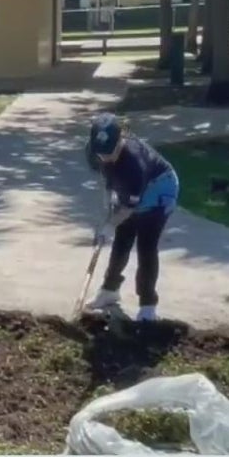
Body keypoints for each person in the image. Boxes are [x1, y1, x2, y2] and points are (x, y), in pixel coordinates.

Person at [83, 113, 180, 323]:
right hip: (130, 189)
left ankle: (148, 306)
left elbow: (128, 208)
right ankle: (109, 290)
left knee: (146, 245)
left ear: (121, 140)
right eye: (102, 154)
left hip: (159, 189)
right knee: (121, 241)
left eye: (110, 152)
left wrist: (109, 225)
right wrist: (107, 213)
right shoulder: (96, 150)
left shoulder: (134, 165)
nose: (106, 158)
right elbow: (107, 181)